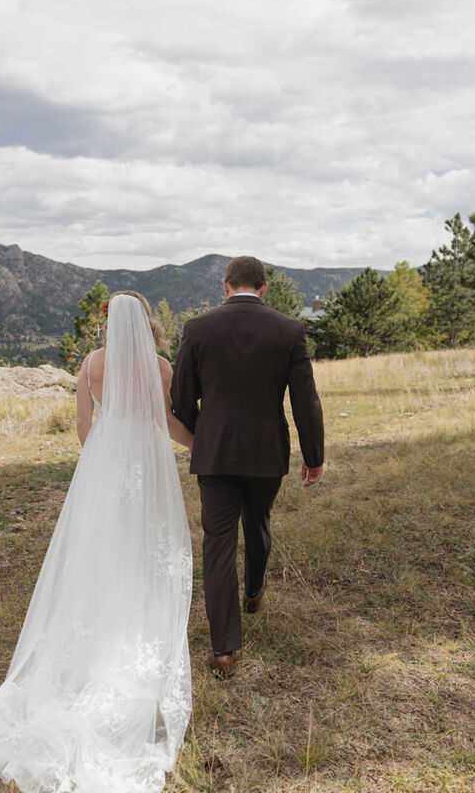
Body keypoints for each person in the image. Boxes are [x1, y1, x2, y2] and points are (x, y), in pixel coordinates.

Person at [0, 291, 195, 793]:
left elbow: (84, 428)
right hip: (146, 471)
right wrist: (200, 446)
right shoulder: (160, 366)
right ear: (147, 323)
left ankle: (93, 638)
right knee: (146, 553)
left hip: (105, 468)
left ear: (109, 323)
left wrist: (103, 463)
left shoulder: (90, 365)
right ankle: (135, 632)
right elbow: (165, 422)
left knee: (98, 554)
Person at [171, 256, 325, 679]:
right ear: (264, 287)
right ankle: (254, 589)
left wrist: (207, 430)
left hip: (215, 453)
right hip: (265, 452)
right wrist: (314, 457)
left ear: (225, 286)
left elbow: (181, 398)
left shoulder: (197, 329)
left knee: (217, 543)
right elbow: (305, 400)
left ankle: (224, 649)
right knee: (257, 523)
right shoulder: (289, 330)